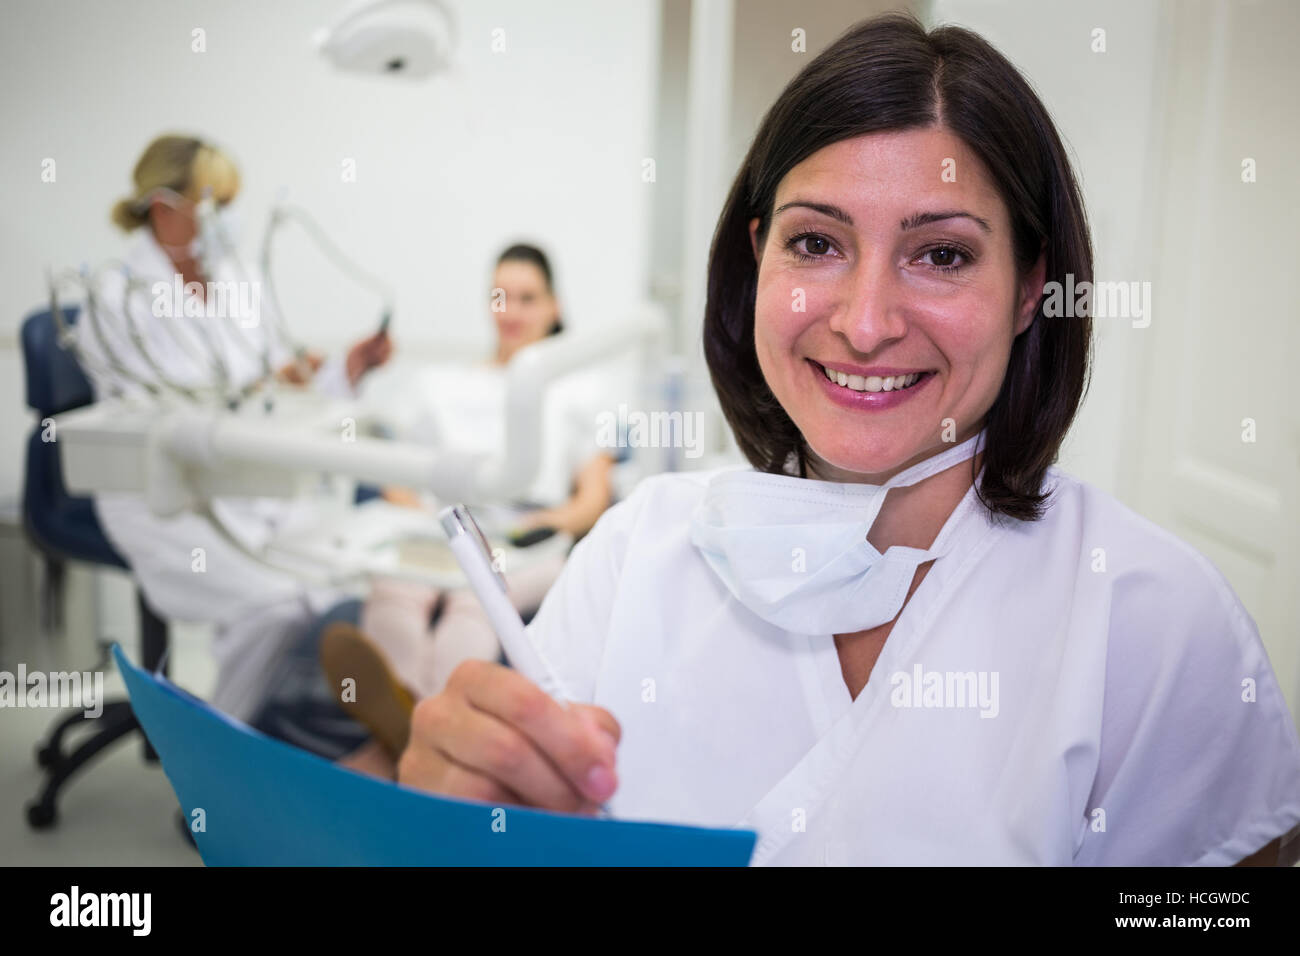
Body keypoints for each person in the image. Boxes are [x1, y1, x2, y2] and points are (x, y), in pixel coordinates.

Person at [394, 14, 1300, 865]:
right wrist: (460, 829)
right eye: (817, 244)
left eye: (941, 255)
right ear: (757, 261)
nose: (865, 326)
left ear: (1031, 288)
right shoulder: (638, 553)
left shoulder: (1150, 615)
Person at [77, 134, 391, 723]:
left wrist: (344, 371)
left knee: (333, 580)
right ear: (166, 206)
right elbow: (171, 413)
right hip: (166, 500)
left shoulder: (237, 280)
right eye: (218, 200)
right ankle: (216, 766)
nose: (233, 217)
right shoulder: (117, 300)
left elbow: (271, 393)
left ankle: (288, 739)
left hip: (247, 481)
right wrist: (254, 395)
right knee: (275, 605)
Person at [310, 243, 621, 777]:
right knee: (395, 586)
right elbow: (392, 469)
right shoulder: (443, 385)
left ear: (554, 307)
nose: (513, 311)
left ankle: (409, 736)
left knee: (474, 601)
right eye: (502, 297)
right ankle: (418, 731)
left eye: (528, 298)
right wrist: (416, 511)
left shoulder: (578, 388)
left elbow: (592, 500)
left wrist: (539, 527)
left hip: (523, 533)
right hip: (441, 523)